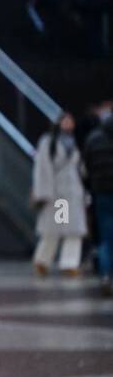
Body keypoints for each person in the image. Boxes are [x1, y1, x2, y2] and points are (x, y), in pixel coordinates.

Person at [31, 112, 87, 277]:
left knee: (74, 230)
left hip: (73, 191)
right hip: (57, 192)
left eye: (71, 121)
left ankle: (69, 263)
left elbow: (80, 167)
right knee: (54, 228)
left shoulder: (76, 142)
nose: (69, 124)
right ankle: (42, 260)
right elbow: (42, 167)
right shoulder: (49, 141)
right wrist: (43, 191)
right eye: (66, 120)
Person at [82, 100, 113, 295]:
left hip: (101, 193)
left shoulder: (94, 138)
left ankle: (105, 275)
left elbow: (86, 167)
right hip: (64, 200)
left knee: (106, 237)